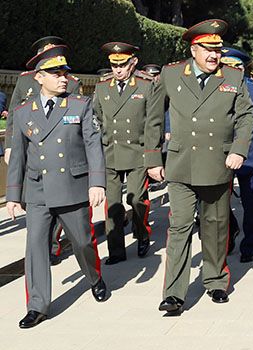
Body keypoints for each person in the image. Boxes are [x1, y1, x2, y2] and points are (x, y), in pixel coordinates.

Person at [144, 19, 253, 316]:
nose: (214, 55)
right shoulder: (171, 74)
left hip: (217, 163)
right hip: (181, 164)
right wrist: (152, 159)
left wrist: (239, 149)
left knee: (215, 226)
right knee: (179, 227)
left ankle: (216, 280)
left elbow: (246, 116)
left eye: (218, 50)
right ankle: (173, 294)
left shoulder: (233, 76)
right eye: (208, 49)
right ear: (194, 49)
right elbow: (154, 119)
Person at [5, 45, 108, 328]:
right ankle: (37, 306)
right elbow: (18, 157)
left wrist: (96, 182)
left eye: (64, 73)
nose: (63, 78)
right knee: (36, 248)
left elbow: (93, 145)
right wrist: (13, 196)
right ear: (39, 77)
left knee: (83, 242)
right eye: (55, 73)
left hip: (71, 188)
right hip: (37, 191)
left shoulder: (79, 105)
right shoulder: (24, 112)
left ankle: (94, 278)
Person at [4, 36, 83, 265]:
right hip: (34, 153)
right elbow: (14, 116)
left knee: (61, 206)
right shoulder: (24, 81)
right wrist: (9, 146)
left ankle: (53, 244)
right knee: (36, 205)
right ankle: (43, 247)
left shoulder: (71, 82)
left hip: (60, 155)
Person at [93, 41, 155, 264]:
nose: (118, 70)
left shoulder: (146, 86)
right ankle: (116, 251)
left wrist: (152, 154)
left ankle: (142, 233)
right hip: (111, 152)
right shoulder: (102, 87)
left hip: (137, 152)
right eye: (114, 65)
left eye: (123, 64)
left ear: (133, 62)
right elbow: (96, 118)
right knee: (113, 205)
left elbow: (152, 122)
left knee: (137, 199)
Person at [221, 48, 253, 263]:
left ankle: (249, 245)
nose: (230, 71)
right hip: (222, 155)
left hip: (251, 155)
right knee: (220, 203)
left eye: (235, 67)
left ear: (242, 70)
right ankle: (229, 233)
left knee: (250, 203)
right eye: (226, 67)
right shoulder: (216, 88)